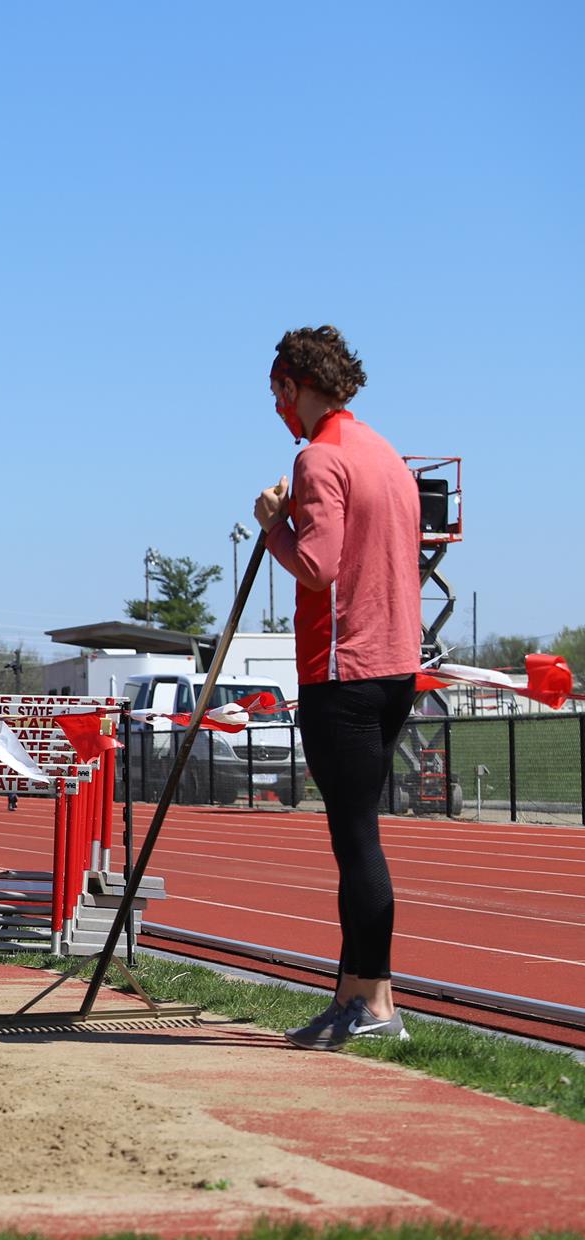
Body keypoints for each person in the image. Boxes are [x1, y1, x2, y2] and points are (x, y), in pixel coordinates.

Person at [255, 326, 421, 1050]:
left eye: (277, 397)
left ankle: (377, 1003)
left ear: (294, 386)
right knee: (360, 835)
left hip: (342, 671)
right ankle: (353, 995)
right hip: (394, 669)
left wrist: (271, 527)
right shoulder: (385, 454)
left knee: (355, 839)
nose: (278, 413)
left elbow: (318, 567)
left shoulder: (319, 457)